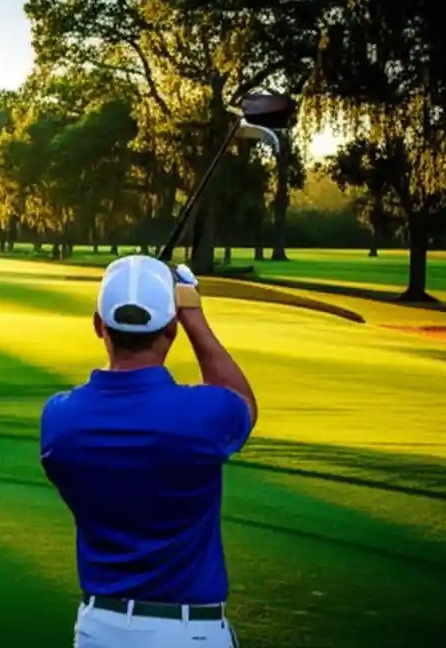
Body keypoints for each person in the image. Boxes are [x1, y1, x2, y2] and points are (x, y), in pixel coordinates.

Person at [40, 255, 257, 648]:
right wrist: (195, 316)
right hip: (188, 632)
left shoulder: (60, 420)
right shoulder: (201, 417)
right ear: (171, 330)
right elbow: (240, 401)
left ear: (97, 325)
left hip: (98, 630)